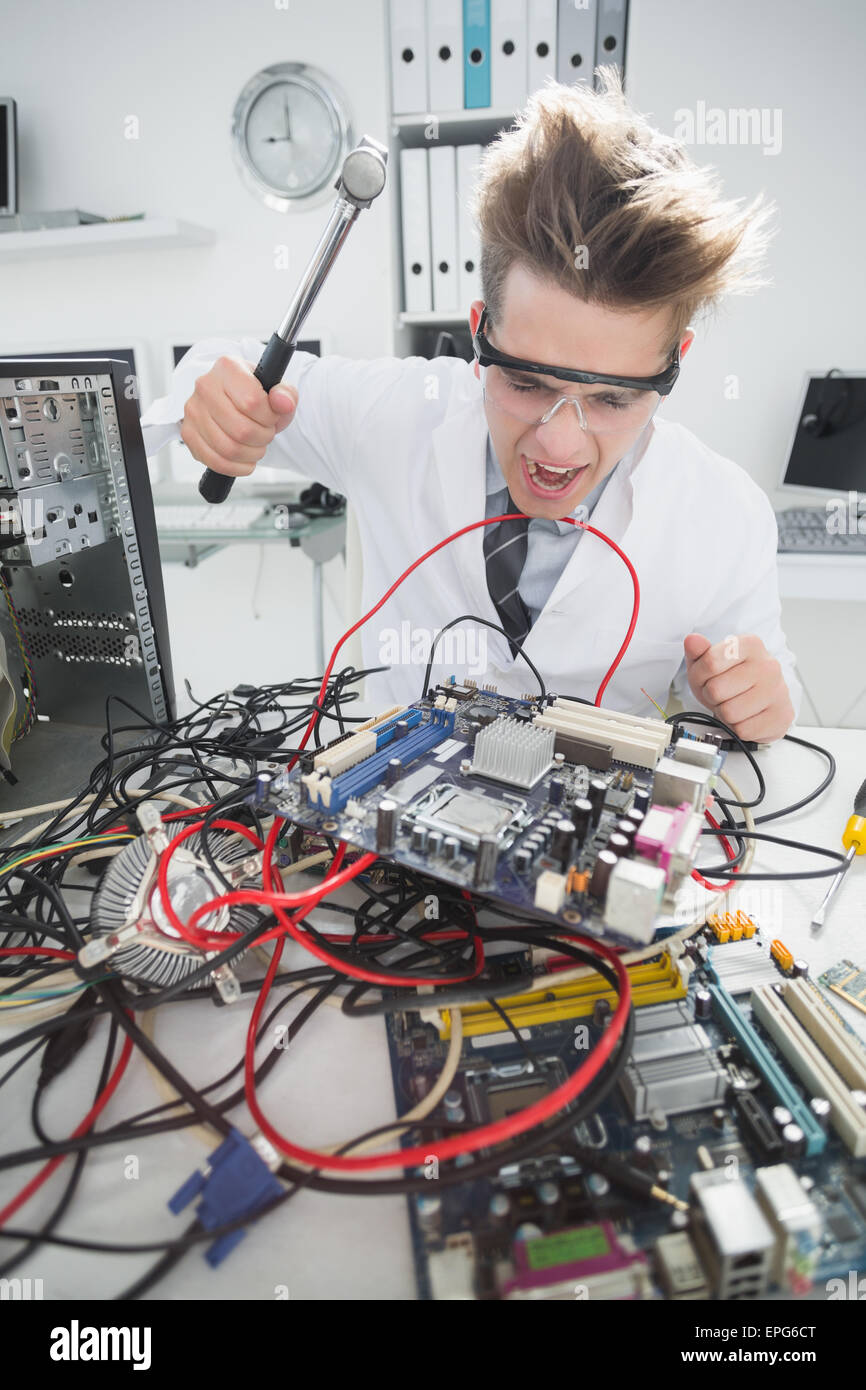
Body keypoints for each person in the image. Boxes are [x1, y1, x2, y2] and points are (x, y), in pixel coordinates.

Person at [141, 72, 800, 740]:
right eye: (527, 384)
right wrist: (212, 401)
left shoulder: (724, 513)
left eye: (613, 398)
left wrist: (761, 701)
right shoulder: (398, 417)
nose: (559, 446)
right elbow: (221, 365)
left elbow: (777, 699)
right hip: (391, 814)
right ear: (482, 333)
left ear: (673, 360)